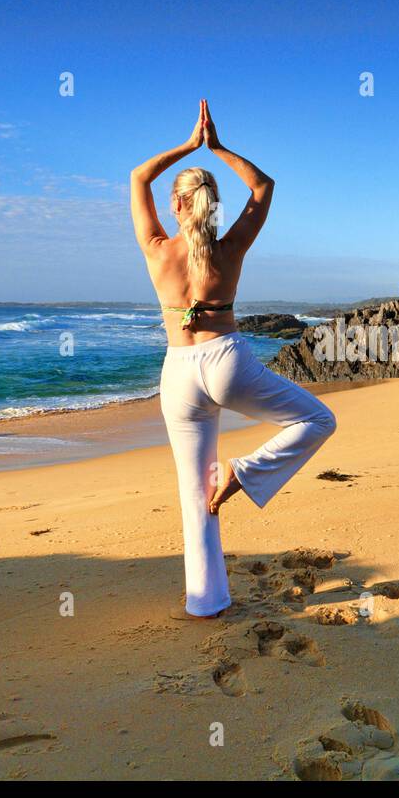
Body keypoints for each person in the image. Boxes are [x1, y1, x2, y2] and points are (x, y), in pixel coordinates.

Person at [130, 100, 336, 619]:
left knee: (192, 493)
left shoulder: (158, 250)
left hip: (177, 374)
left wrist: (188, 144)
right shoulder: (229, 249)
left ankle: (206, 602)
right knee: (316, 419)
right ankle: (243, 472)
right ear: (213, 209)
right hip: (226, 362)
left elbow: (137, 176)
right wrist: (218, 147)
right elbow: (263, 186)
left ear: (176, 205)